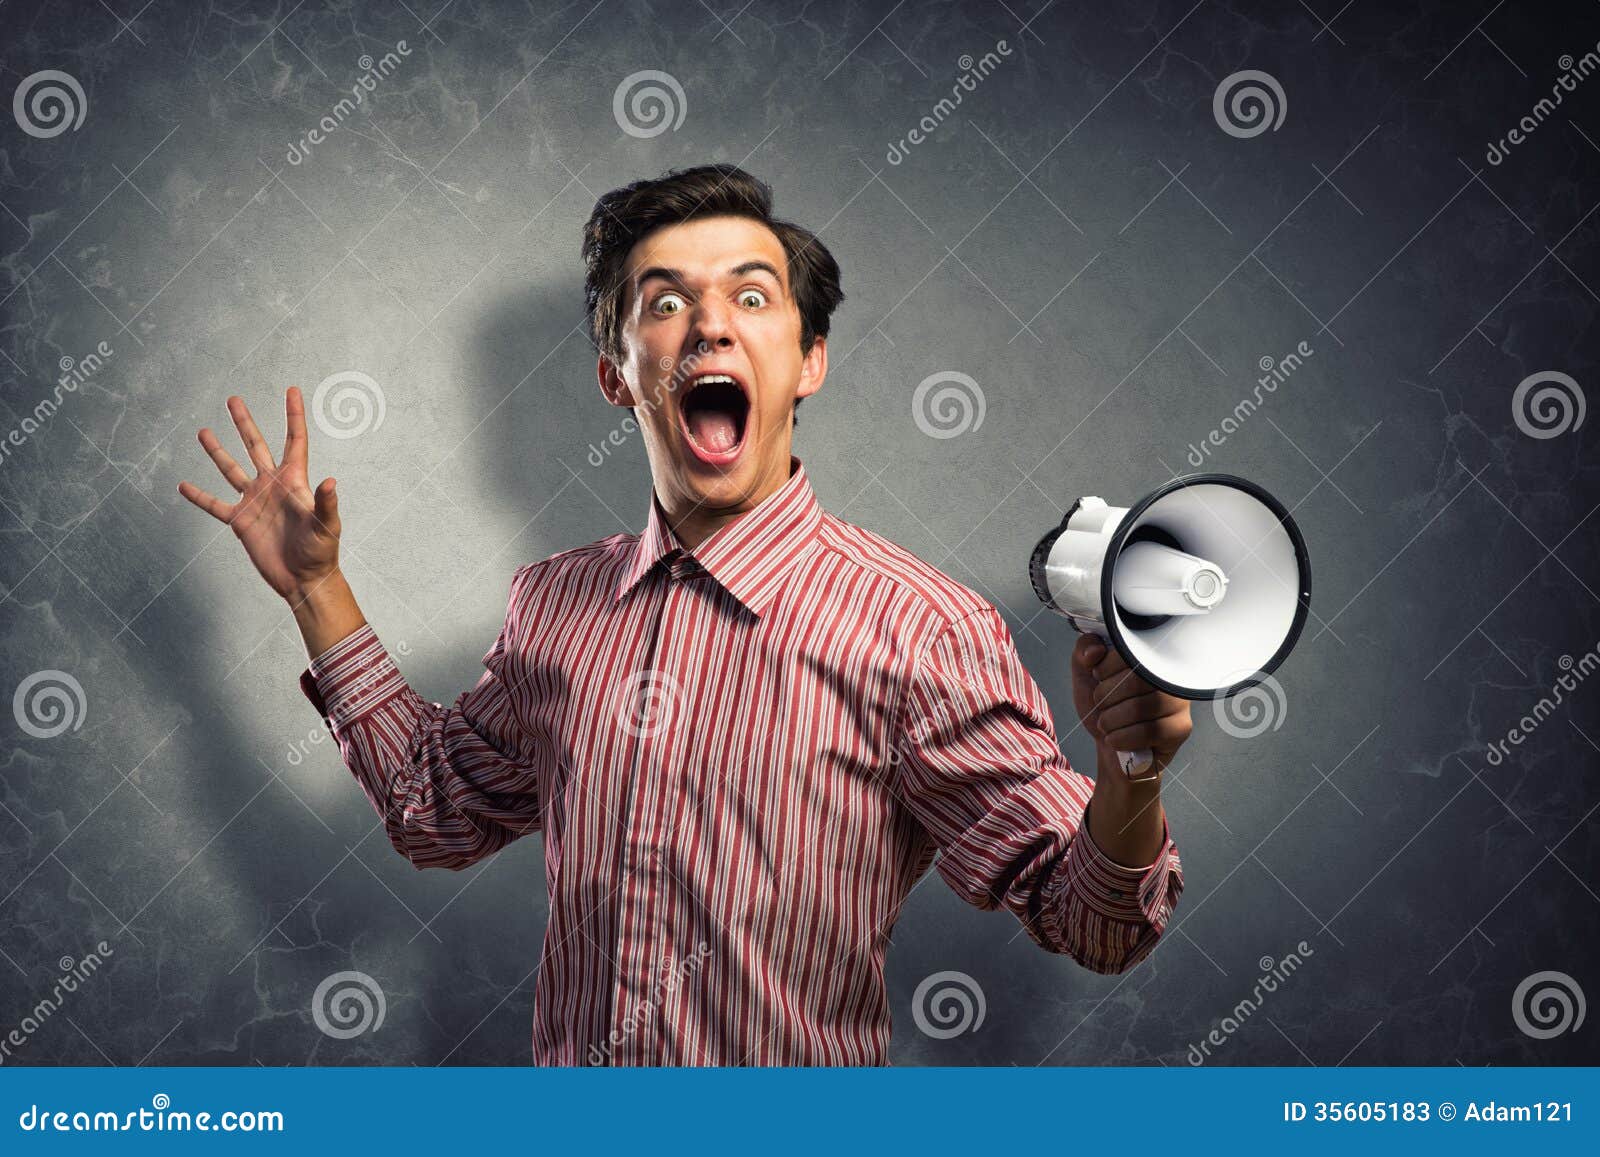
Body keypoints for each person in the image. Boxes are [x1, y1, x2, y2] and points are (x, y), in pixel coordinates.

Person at [178, 164, 1190, 1065]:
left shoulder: (919, 626)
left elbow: (1094, 923)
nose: (710, 323)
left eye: (752, 296)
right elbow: (434, 812)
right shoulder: (553, 604)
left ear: (807, 361)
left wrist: (1130, 770)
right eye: (665, 302)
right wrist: (316, 590)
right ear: (618, 375)